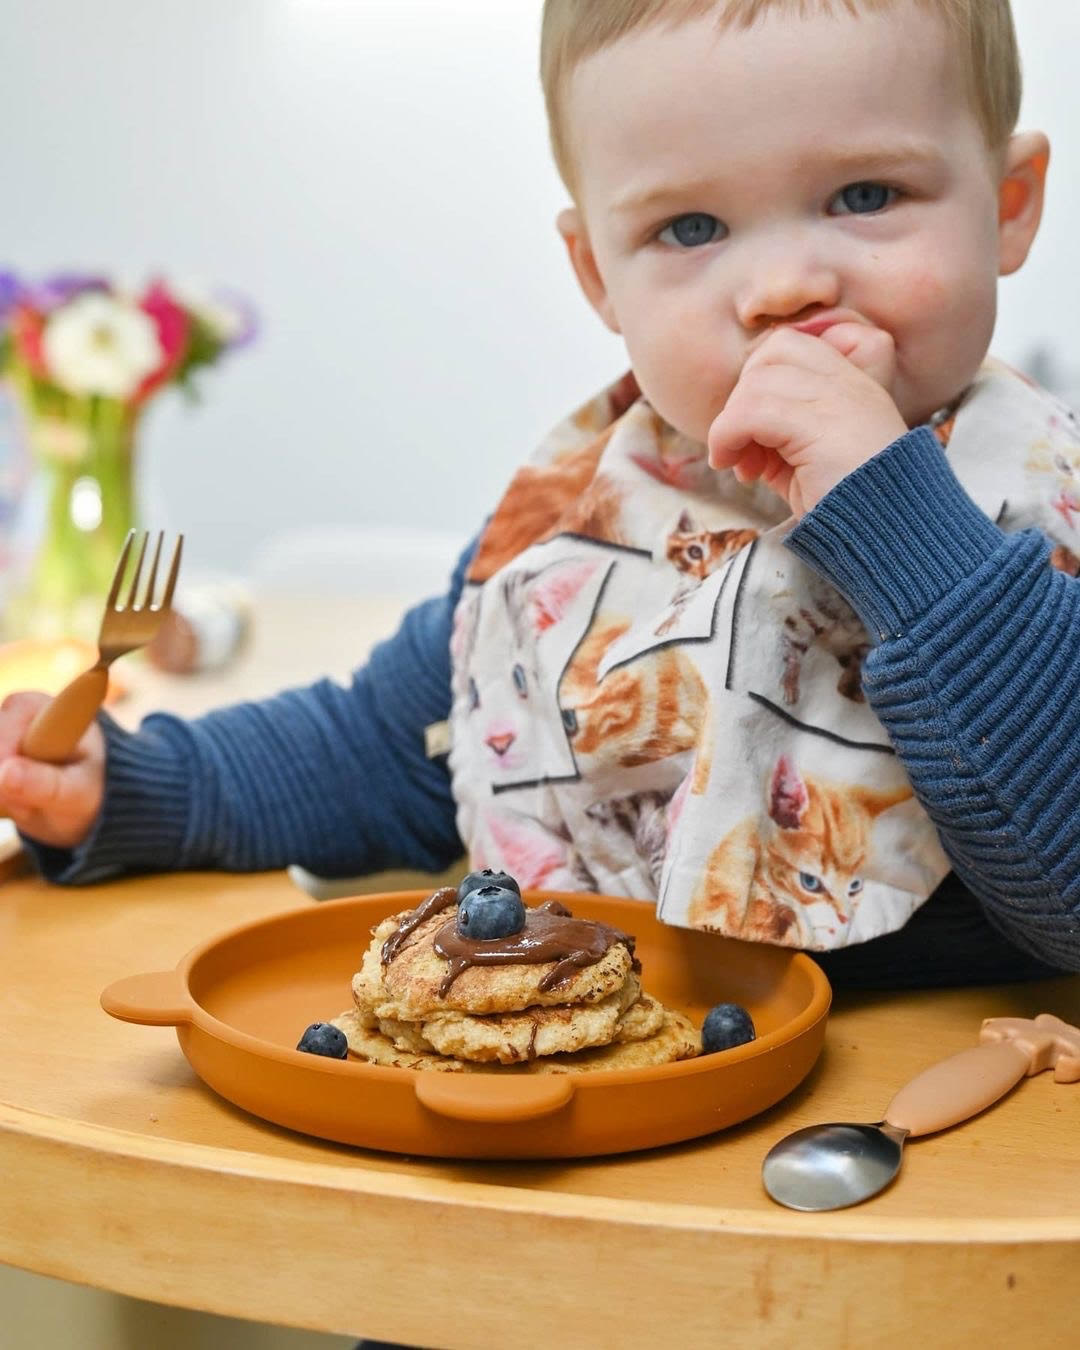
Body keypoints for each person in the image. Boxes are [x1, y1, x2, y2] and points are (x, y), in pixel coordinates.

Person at [1, 0, 1078, 992]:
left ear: (1008, 205)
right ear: (599, 274)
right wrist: (133, 787)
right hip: (604, 1072)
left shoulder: (1046, 503)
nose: (781, 288)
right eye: (691, 228)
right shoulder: (583, 524)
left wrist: (894, 515)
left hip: (929, 1109)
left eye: (866, 196)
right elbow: (386, 750)